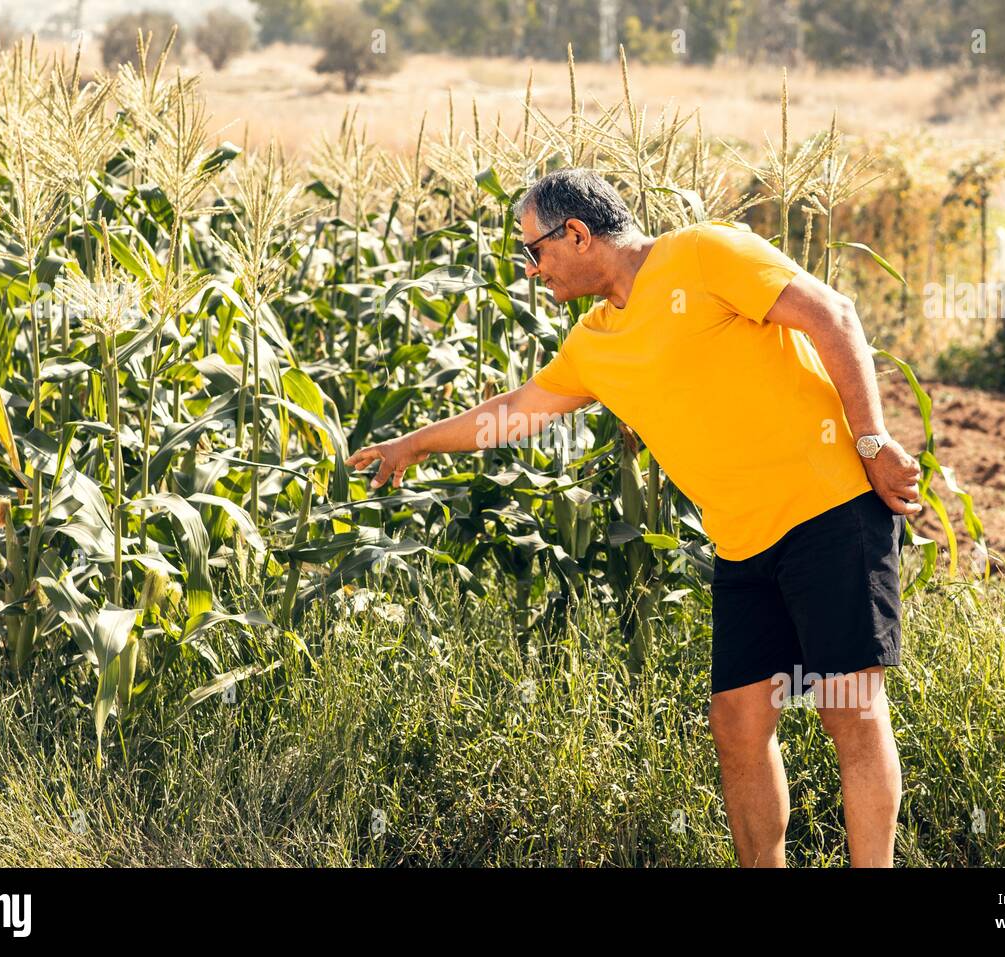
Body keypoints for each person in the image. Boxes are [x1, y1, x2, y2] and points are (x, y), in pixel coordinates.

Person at [346, 167, 923, 867]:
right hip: (744, 542)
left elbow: (833, 314)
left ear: (578, 233)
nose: (531, 271)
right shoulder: (596, 342)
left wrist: (871, 439)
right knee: (737, 725)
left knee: (850, 712)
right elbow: (515, 413)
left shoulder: (704, 253)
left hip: (829, 509)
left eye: (534, 251)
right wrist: (413, 443)